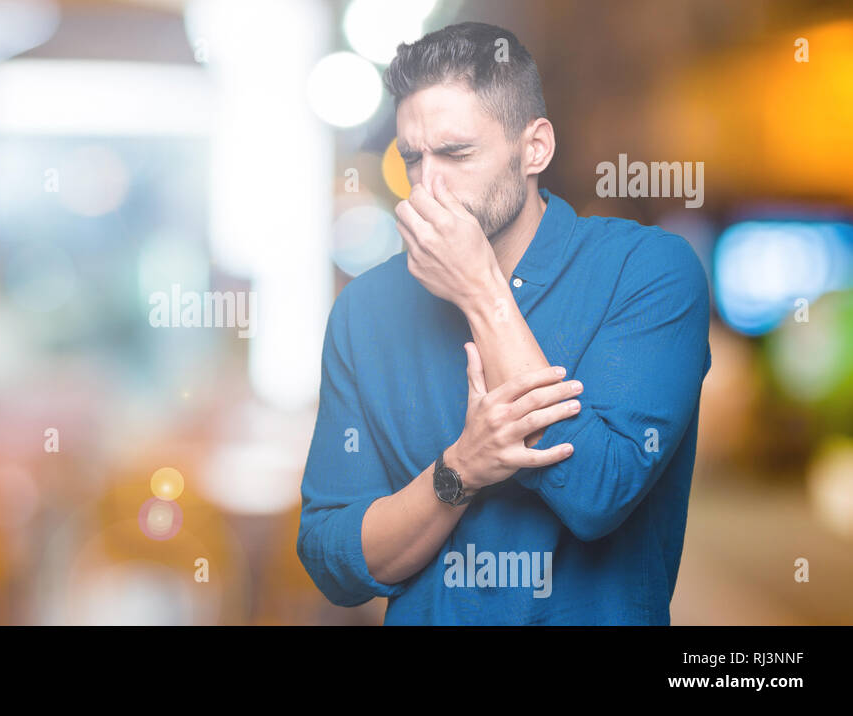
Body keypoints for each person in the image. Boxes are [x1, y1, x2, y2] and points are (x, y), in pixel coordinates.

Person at [297, 21, 711, 624]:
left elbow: (600, 492)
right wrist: (459, 471)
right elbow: (332, 560)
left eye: (457, 153)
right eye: (413, 157)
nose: (426, 185)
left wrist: (481, 290)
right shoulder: (366, 311)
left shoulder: (650, 271)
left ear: (534, 148)